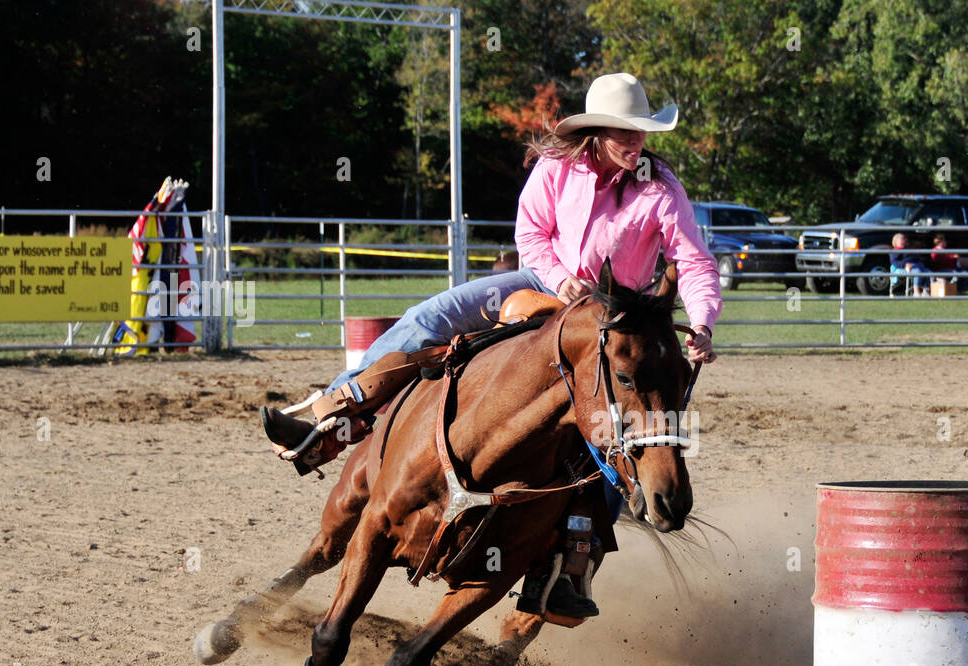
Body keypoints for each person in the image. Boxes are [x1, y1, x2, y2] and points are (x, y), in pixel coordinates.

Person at [260, 72, 721, 619]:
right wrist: (560, 277)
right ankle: (332, 415)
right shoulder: (557, 170)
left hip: (617, 322)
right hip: (547, 286)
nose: (637, 142)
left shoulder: (660, 189)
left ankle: (573, 561)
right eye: (625, 131)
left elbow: (692, 260)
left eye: (642, 132)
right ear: (596, 132)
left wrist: (703, 322)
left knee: (619, 425)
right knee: (431, 315)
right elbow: (531, 234)